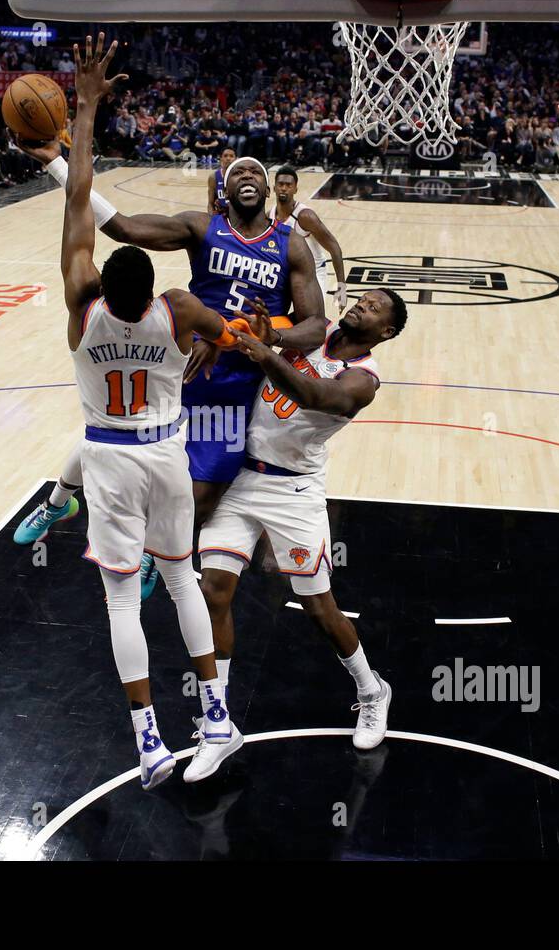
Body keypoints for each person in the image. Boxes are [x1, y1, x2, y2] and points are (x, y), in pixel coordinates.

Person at [15, 99, 326, 599]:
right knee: (112, 428)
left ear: (268, 188)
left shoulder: (291, 245)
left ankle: (155, 557)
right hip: (182, 362)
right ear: (224, 188)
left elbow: (316, 326)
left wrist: (269, 337)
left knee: (201, 498)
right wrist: (56, 161)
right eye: (236, 171)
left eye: (254, 170)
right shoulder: (202, 228)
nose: (245, 174)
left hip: (237, 382)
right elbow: (120, 227)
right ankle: (62, 501)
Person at [55, 34, 244, 788]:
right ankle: (217, 715)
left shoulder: (81, 308)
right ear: (155, 287)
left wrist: (85, 108)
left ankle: (148, 741)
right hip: (169, 455)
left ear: (100, 284)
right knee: (183, 583)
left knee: (120, 597)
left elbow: (79, 202)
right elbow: (234, 333)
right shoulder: (178, 308)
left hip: (108, 459)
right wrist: (215, 350)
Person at [192, 288, 407, 775]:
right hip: (241, 476)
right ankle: (218, 721)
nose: (362, 307)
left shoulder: (363, 381)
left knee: (318, 606)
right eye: (363, 300)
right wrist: (256, 333)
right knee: (214, 591)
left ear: (386, 332)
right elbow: (265, 334)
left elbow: (312, 394)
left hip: (295, 493)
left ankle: (371, 690)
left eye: (375, 309)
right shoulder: (313, 333)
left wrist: (269, 350)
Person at [271, 164, 346, 308]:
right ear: (274, 187)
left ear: (295, 189)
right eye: (280, 184)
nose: (284, 188)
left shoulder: (305, 216)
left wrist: (341, 288)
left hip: (313, 274)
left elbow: (335, 248)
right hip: (288, 273)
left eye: (288, 185)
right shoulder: (270, 215)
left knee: (313, 317)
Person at [206, 146, 235, 214]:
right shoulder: (213, 177)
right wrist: (212, 219)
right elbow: (210, 204)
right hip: (221, 214)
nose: (228, 158)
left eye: (231, 156)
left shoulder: (241, 176)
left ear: (236, 159)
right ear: (221, 158)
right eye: (225, 156)